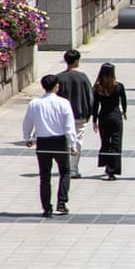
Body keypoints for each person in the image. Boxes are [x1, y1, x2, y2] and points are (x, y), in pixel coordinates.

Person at [22, 74, 77, 216]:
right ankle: (62, 202)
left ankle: (46, 207)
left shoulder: (35, 103)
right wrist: (73, 143)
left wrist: (27, 137)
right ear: (56, 86)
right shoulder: (63, 103)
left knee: (44, 176)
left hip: (43, 141)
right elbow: (69, 125)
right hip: (59, 140)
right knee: (64, 171)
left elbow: (27, 121)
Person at [56, 49, 93, 179]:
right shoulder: (82, 77)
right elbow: (90, 96)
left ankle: (64, 166)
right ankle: (73, 168)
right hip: (80, 114)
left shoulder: (59, 78)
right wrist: (90, 112)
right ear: (77, 61)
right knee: (77, 141)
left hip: (63, 117)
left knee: (65, 141)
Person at [91, 63, 127, 180]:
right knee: (116, 143)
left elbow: (95, 105)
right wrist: (124, 111)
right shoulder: (118, 86)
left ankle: (106, 165)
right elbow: (124, 101)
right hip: (116, 116)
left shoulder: (98, 88)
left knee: (105, 142)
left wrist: (94, 120)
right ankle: (113, 169)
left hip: (103, 117)